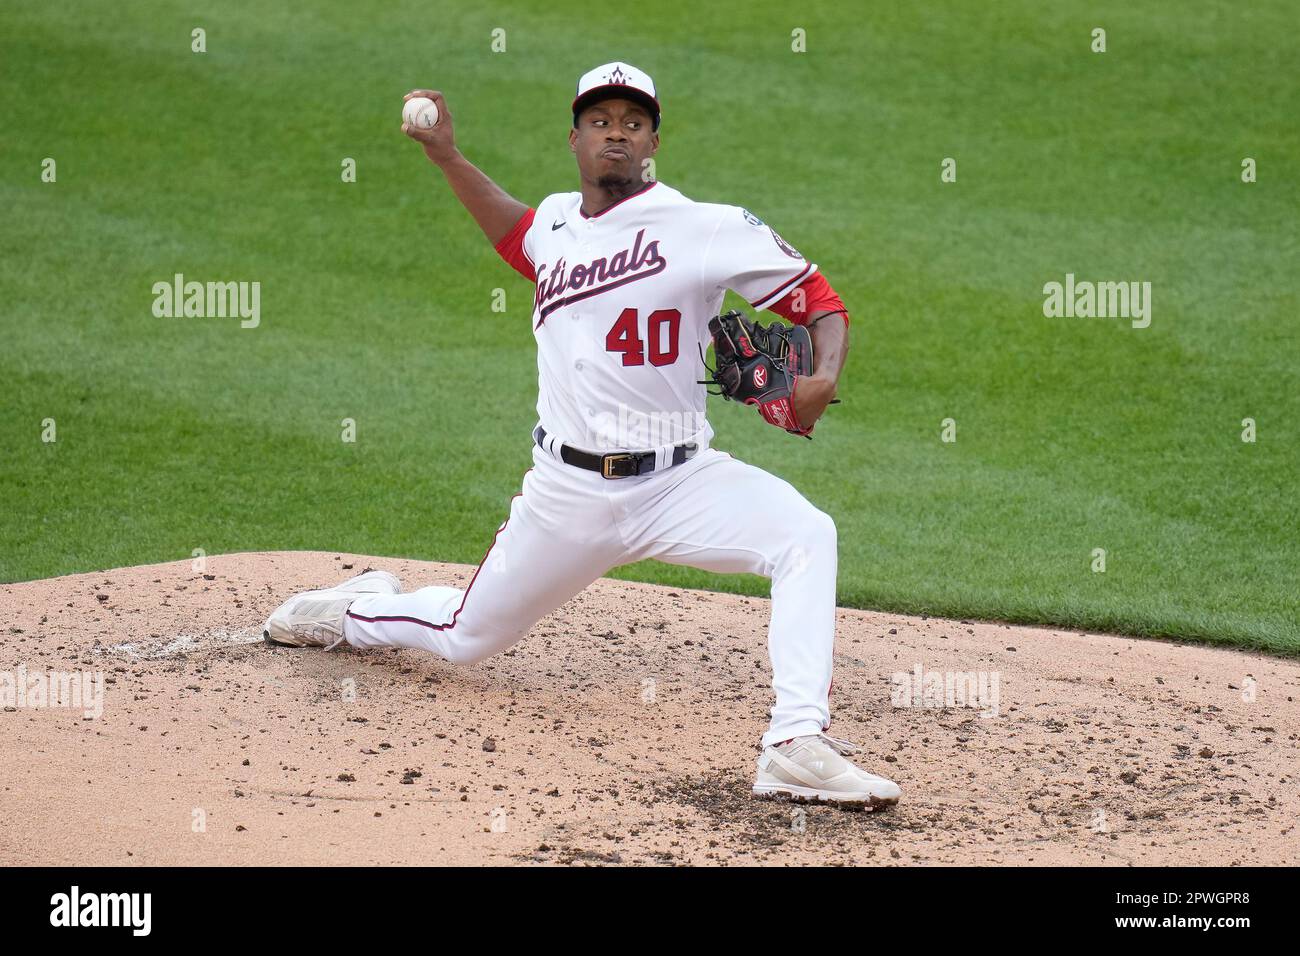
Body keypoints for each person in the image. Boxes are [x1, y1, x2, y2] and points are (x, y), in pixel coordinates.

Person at [263, 62, 901, 809]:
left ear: (653, 140)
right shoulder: (557, 225)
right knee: (467, 637)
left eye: (633, 123)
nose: (617, 135)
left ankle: (795, 743)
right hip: (568, 494)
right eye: (601, 122)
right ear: (575, 139)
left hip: (681, 481)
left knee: (806, 533)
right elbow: (516, 233)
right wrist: (447, 157)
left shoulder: (708, 227)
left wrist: (822, 376)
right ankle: (353, 609)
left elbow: (822, 302)